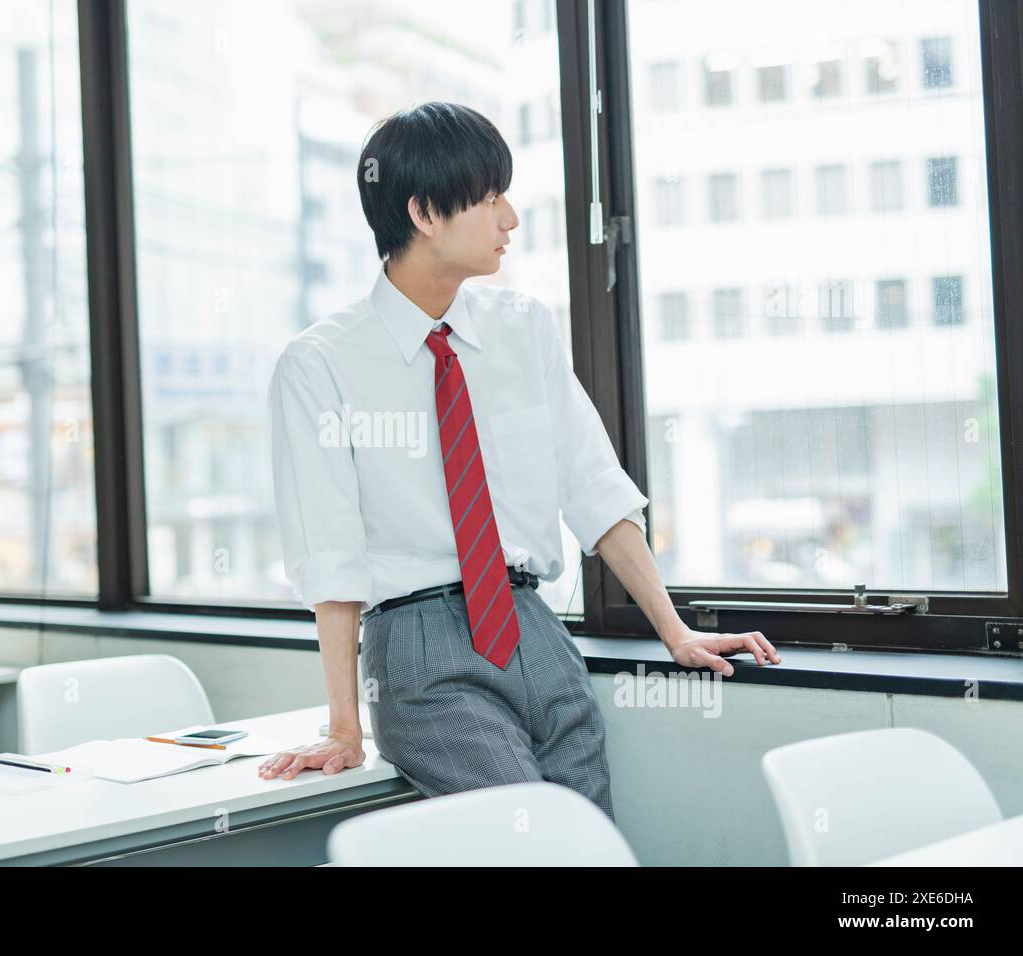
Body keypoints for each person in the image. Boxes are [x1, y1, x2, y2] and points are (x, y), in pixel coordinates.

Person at [258, 101, 779, 817]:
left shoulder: (524, 328)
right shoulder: (320, 363)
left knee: (590, 837)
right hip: (420, 646)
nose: (510, 219)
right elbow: (331, 557)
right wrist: (346, 725)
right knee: (532, 841)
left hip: (534, 626)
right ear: (425, 213)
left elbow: (593, 485)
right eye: (490, 197)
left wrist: (674, 629)